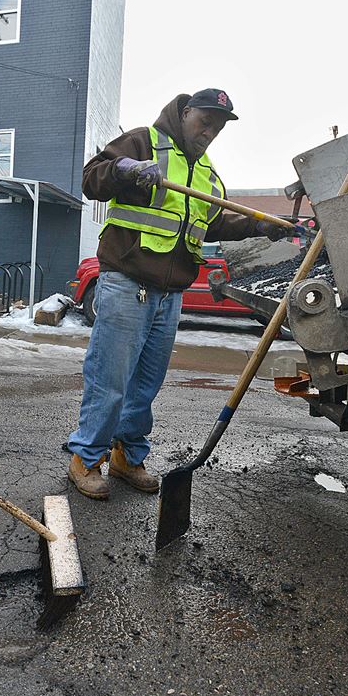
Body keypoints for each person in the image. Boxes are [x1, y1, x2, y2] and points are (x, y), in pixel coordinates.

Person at [67, 88, 297, 500]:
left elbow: (214, 223)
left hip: (170, 293)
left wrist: (258, 226)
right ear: (186, 112)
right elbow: (91, 179)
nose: (209, 132)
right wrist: (125, 169)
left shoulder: (206, 171)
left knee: (146, 383)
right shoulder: (144, 142)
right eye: (204, 122)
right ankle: (85, 458)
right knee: (110, 379)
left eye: (217, 128)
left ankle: (127, 457)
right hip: (127, 282)